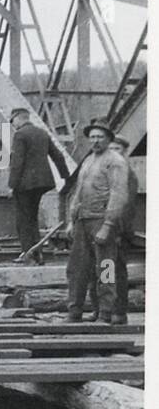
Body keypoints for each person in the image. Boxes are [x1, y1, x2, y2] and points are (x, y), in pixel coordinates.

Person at [66, 120, 132, 324]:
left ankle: (105, 312)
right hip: (82, 221)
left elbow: (118, 194)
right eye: (92, 137)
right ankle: (74, 311)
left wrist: (108, 225)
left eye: (100, 137)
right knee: (77, 268)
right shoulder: (88, 160)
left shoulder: (115, 161)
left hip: (101, 221)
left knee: (105, 267)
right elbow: (78, 192)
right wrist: (71, 220)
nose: (95, 141)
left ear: (108, 139)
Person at [7, 108, 71, 264]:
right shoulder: (42, 133)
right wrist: (66, 177)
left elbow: (17, 162)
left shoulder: (20, 134)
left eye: (12, 121)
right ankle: (37, 253)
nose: (12, 124)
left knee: (23, 219)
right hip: (43, 183)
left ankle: (28, 253)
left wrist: (11, 185)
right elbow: (58, 155)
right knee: (32, 218)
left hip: (24, 185)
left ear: (18, 118)